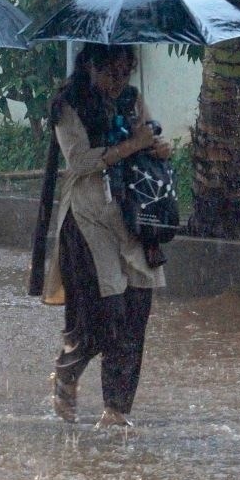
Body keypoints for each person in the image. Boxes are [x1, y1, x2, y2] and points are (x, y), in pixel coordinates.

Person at [43, 43, 171, 428]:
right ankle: (68, 370)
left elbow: (152, 141)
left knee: (136, 314)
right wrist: (132, 145)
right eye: (111, 73)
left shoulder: (133, 99)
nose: (119, 82)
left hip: (133, 215)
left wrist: (158, 147)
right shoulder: (67, 105)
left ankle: (116, 410)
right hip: (88, 215)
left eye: (126, 72)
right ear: (90, 67)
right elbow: (80, 161)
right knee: (105, 314)